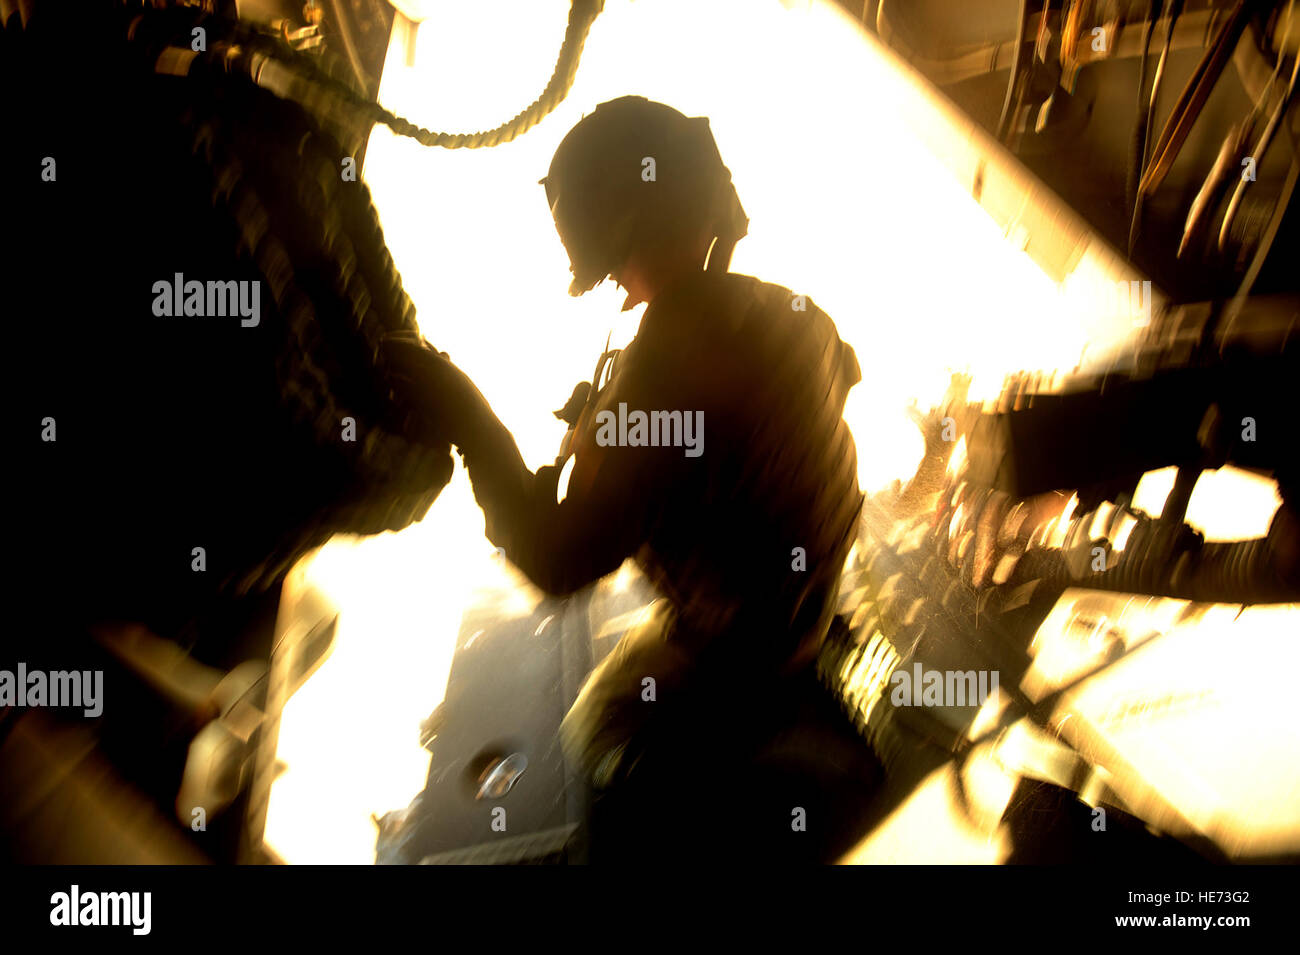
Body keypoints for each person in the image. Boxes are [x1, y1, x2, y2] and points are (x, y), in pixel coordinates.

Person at [384, 96, 866, 854]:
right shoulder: (784, 308)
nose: (614, 288)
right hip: (801, 602)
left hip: (744, 646)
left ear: (615, 231)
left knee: (599, 732)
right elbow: (828, 382)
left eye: (609, 269)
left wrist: (471, 422)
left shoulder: (674, 350)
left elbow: (560, 558)